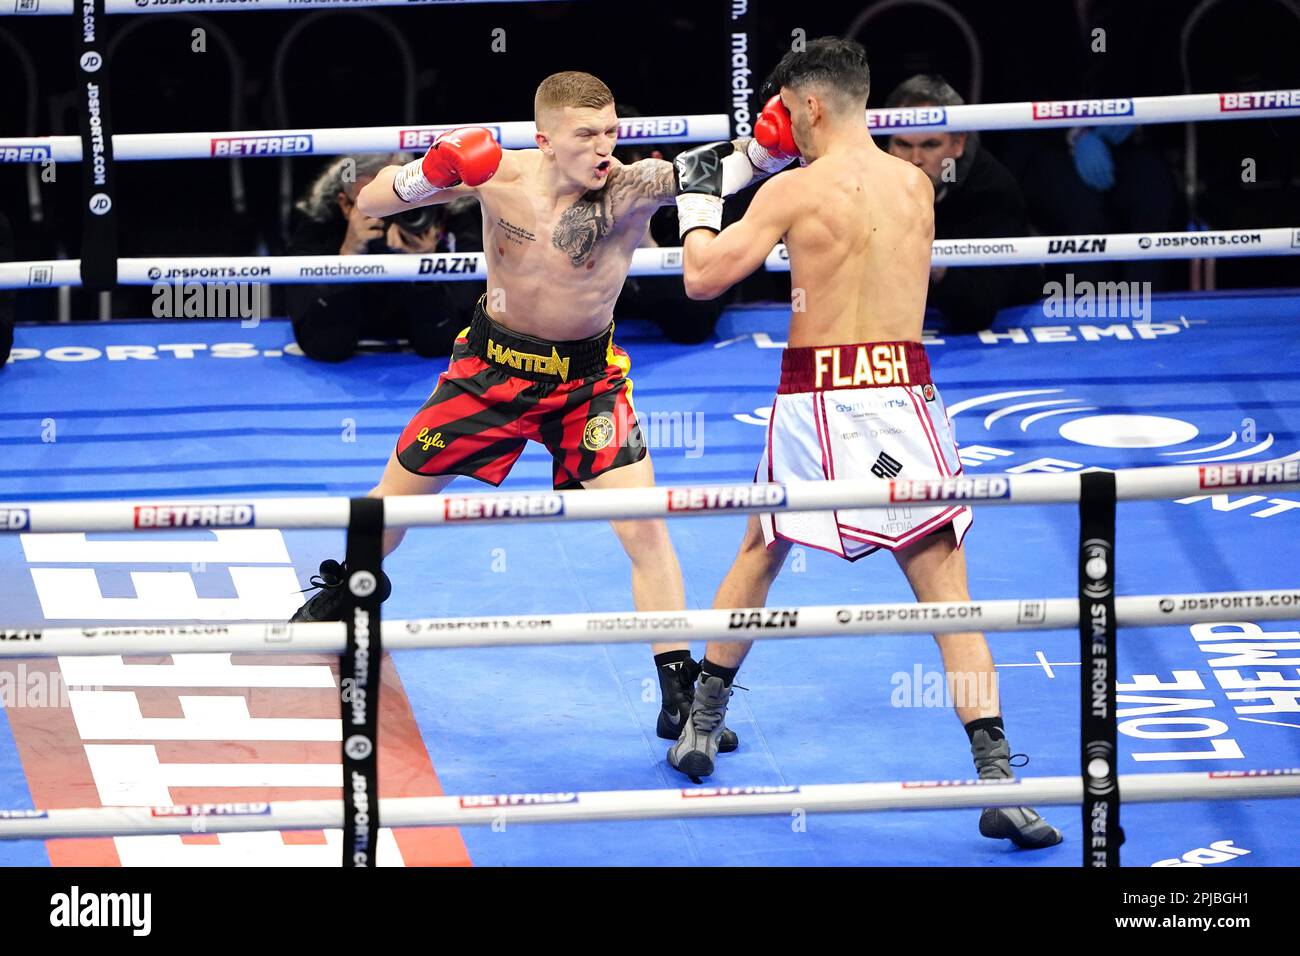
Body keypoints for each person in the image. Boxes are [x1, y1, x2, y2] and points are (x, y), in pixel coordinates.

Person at [291, 71, 796, 746]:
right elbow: (380, 199)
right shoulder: (497, 173)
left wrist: (767, 152)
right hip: (487, 373)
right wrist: (429, 172)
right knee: (392, 499)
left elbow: (719, 171)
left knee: (645, 527)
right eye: (586, 135)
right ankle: (349, 592)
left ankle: (676, 685)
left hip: (585, 385)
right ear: (545, 139)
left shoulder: (629, 187)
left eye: (611, 133)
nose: (603, 149)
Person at [670, 38, 1060, 850]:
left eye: (787, 113)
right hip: (906, 395)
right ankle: (1000, 781)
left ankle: (700, 728)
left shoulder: (795, 191)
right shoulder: (917, 184)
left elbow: (703, 279)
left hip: (818, 397)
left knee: (761, 548)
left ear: (808, 107)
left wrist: (701, 199)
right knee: (947, 588)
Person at [287, 153, 484, 362]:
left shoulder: (449, 218)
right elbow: (324, 346)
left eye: (402, 205)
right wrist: (348, 259)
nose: (392, 217)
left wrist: (424, 270)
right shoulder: (318, 224)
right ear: (345, 205)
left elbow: (443, 345)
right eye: (377, 208)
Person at [883, 75, 1042, 332]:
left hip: (1004, 316)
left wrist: (935, 262)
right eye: (902, 144)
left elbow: (979, 309)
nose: (914, 159)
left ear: (958, 144)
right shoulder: (869, 179)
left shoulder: (992, 190)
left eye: (930, 145)